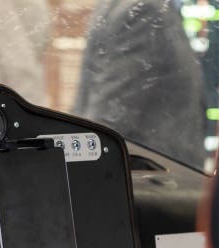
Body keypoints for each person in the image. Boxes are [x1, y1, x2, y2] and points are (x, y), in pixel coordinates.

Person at [75, 0, 207, 167]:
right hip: (152, 177)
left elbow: (103, 119)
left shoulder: (138, 8)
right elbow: (105, 122)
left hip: (155, 176)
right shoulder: (143, 10)